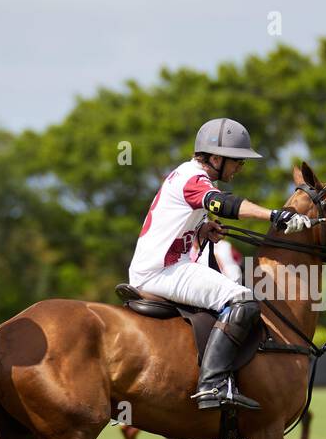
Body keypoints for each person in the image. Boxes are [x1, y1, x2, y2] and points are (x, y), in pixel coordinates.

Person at [128, 118, 311, 411]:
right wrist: (275, 215)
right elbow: (222, 203)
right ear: (215, 158)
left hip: (168, 266)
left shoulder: (188, 176)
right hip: (162, 271)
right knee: (244, 300)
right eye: (237, 161)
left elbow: (178, 221)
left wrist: (201, 230)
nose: (240, 167)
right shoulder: (193, 178)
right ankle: (212, 384)